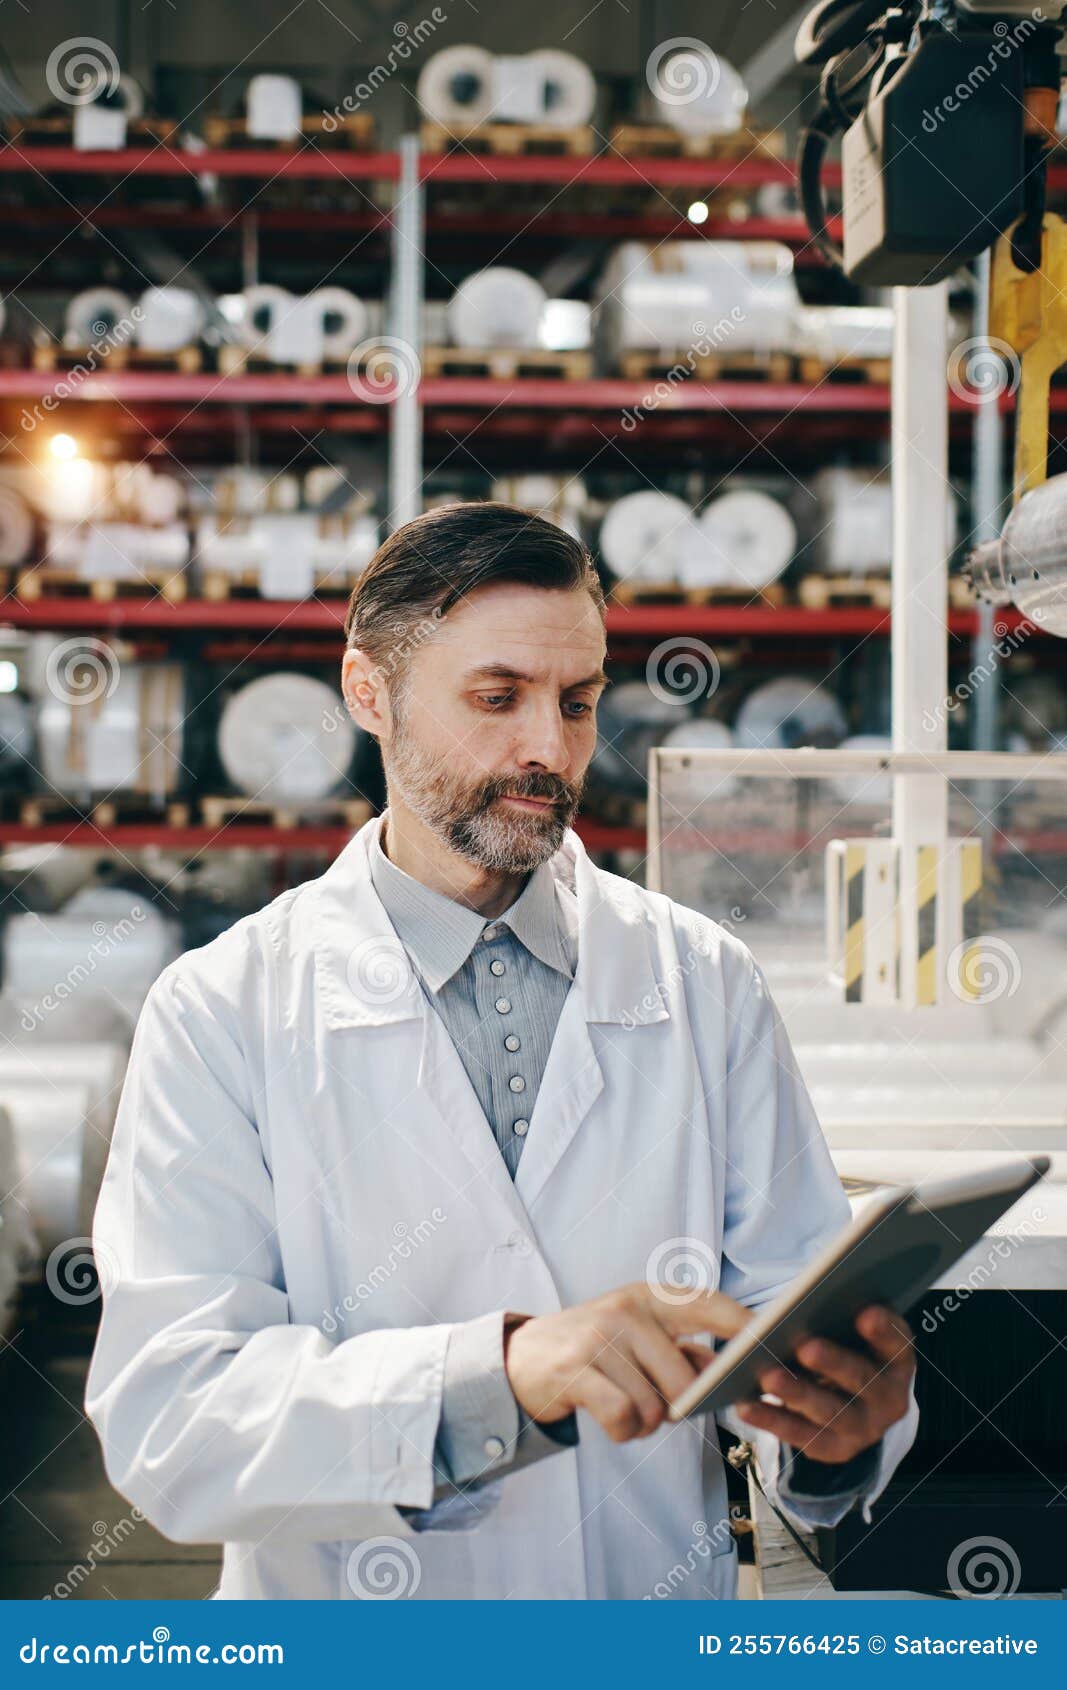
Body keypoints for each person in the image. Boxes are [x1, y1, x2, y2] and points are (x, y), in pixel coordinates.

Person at [85, 502, 918, 1601]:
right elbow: (173, 1419)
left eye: (575, 703)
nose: (549, 749)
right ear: (367, 691)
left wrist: (834, 1438)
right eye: (496, 698)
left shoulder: (701, 981)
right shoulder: (222, 1009)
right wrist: (499, 1381)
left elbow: (781, 1321)